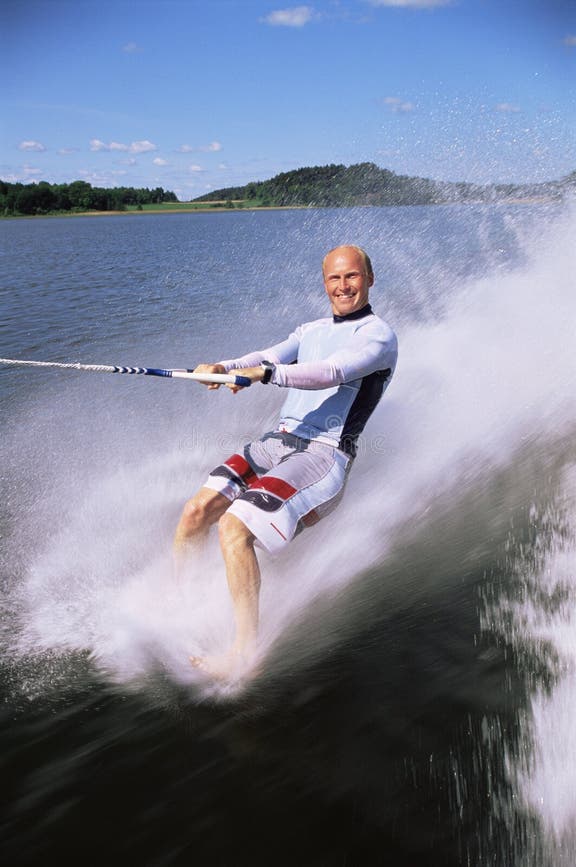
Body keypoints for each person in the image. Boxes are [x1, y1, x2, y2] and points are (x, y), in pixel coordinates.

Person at [174, 245, 398, 679]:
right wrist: (222, 368)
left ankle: (243, 653)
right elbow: (265, 357)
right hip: (277, 443)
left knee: (234, 526)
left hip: (323, 455)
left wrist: (266, 375)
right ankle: (180, 607)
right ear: (325, 283)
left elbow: (331, 372)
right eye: (334, 278)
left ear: (370, 279)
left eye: (352, 276)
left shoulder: (377, 336)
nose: (343, 286)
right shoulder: (310, 330)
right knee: (195, 512)